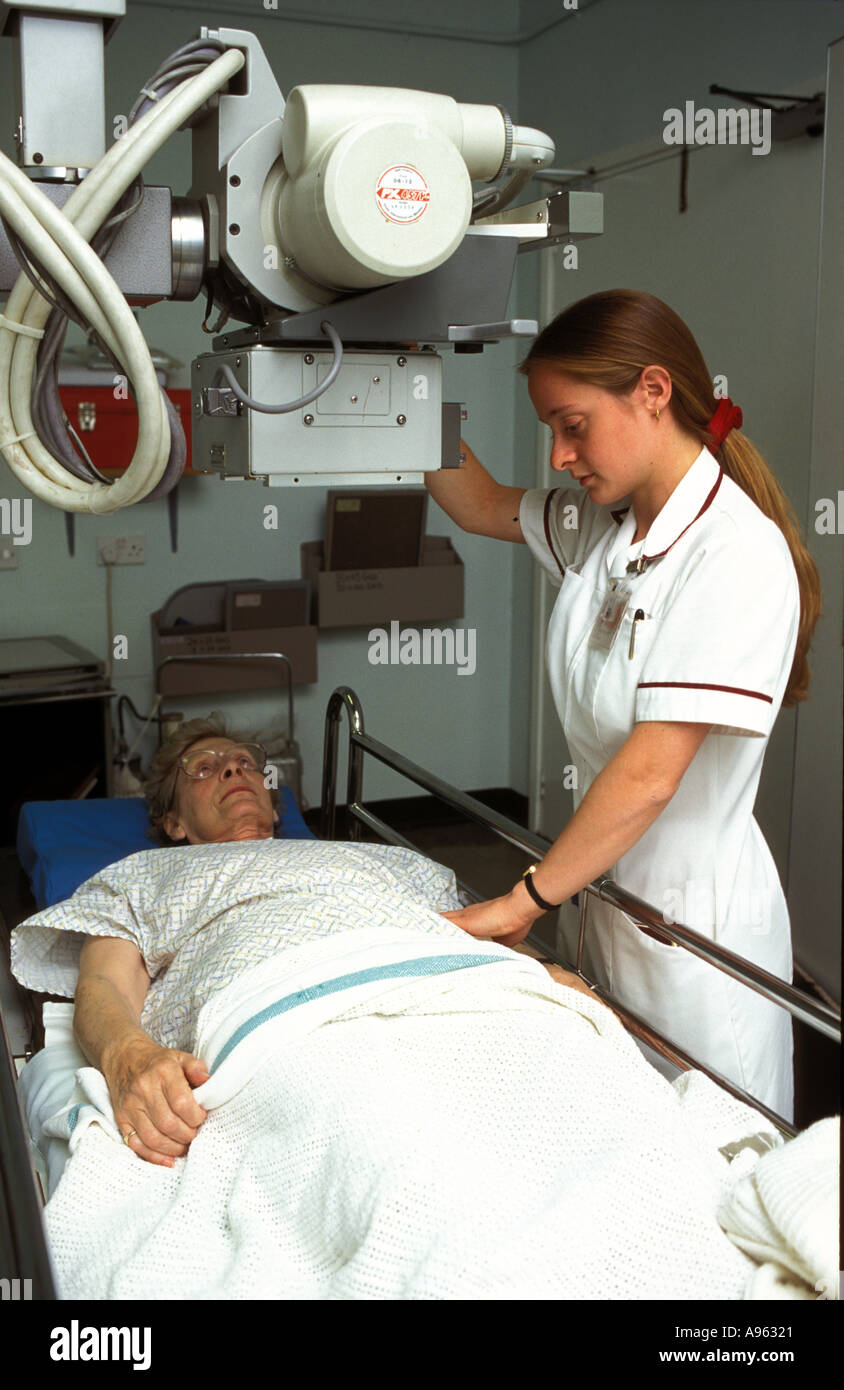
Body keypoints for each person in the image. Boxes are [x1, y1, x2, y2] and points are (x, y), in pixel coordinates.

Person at [425, 288, 821, 1120]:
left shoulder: (733, 554)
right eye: (552, 432)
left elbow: (650, 773)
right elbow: (479, 502)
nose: (562, 455)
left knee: (714, 1160)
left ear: (653, 391)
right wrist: (398, 386)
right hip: (606, 895)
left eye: (574, 426)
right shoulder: (602, 525)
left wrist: (525, 901)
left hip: (696, 936)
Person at [28, 718, 590, 1168]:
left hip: (453, 996)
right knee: (400, 1153)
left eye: (246, 764)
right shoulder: (142, 876)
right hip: (290, 1027)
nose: (232, 771)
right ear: (173, 823)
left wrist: (538, 969)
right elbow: (104, 983)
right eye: (204, 768)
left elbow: (470, 931)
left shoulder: (391, 860)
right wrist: (130, 1058)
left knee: (580, 1102)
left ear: (276, 805)